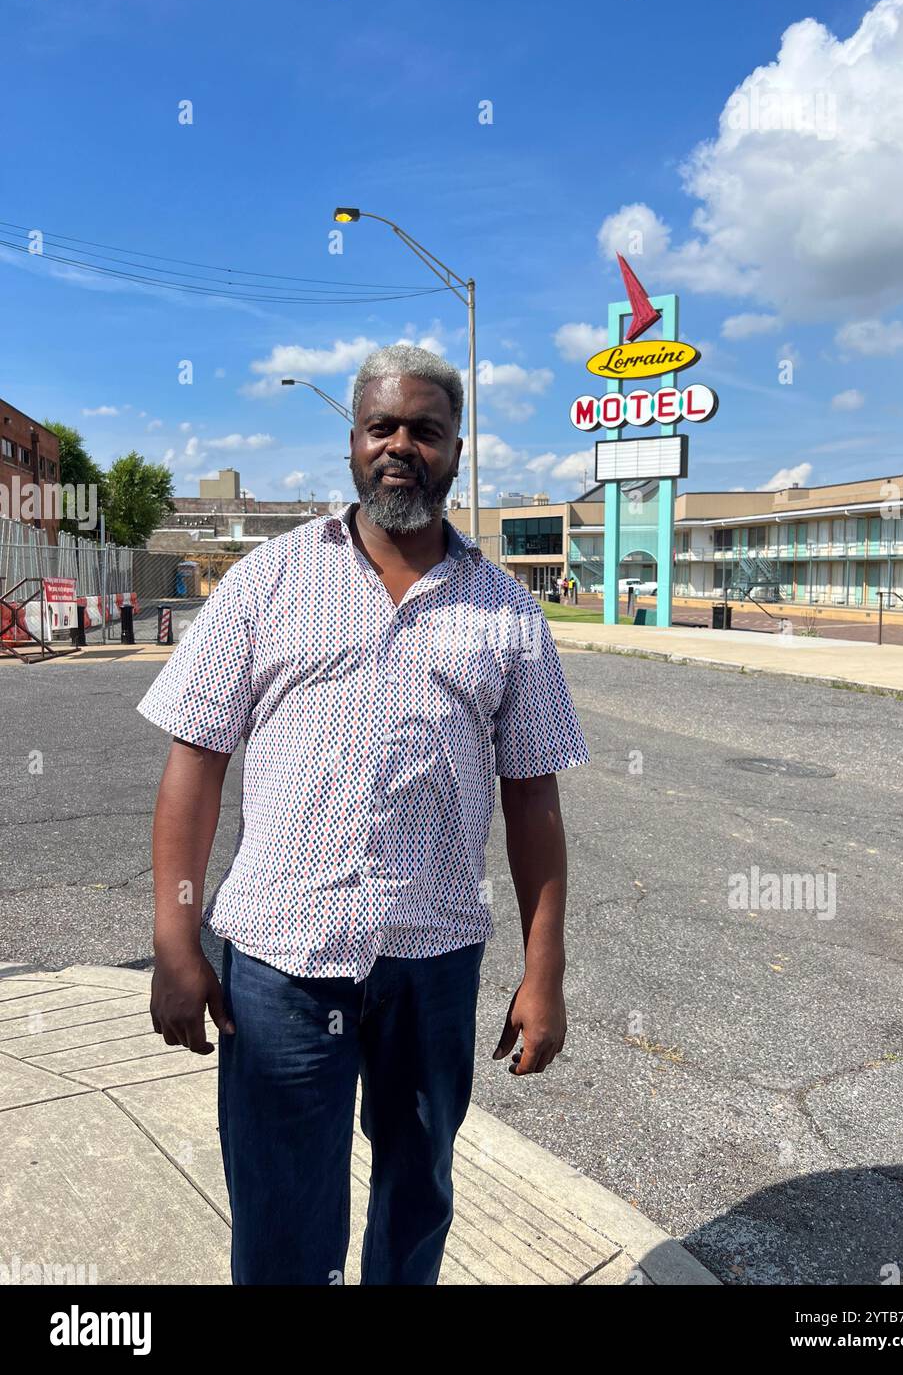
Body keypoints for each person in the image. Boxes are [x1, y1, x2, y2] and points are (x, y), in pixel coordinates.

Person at [137, 343, 590, 1286]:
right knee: (280, 1210)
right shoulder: (268, 580)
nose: (401, 447)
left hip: (431, 962)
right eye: (381, 427)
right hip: (278, 961)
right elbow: (194, 769)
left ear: (456, 450)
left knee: (415, 1194)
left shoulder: (508, 614)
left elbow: (533, 799)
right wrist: (176, 939)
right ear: (351, 443)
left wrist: (541, 972)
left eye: (425, 430)